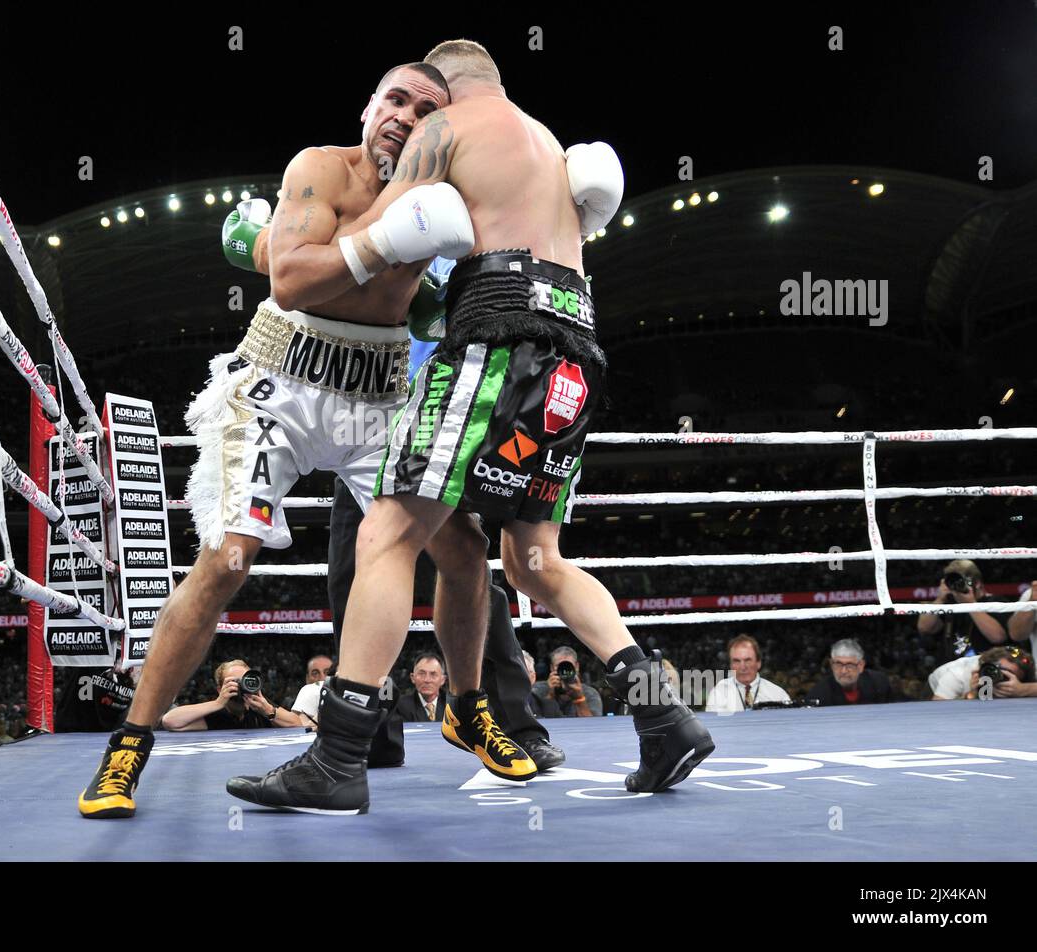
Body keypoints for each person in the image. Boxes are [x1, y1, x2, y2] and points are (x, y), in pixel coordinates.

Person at [229, 39, 713, 815]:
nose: (417, 112)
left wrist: (255, 247)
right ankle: (662, 714)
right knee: (532, 562)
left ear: (445, 91)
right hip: (578, 351)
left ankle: (338, 756)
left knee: (386, 534)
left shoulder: (443, 132)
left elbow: (361, 250)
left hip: (500, 338)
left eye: (427, 98)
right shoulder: (548, 145)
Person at [79, 60, 514, 819]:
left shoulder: (447, 198)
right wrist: (378, 244)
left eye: (425, 110)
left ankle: (468, 706)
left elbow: (435, 302)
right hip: (280, 383)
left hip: (379, 397)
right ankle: (128, 746)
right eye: (395, 100)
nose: (405, 116)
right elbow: (290, 280)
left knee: (465, 547)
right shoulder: (322, 169)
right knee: (224, 564)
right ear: (368, 108)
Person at [161, 660, 306, 731]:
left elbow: (296, 724)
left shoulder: (259, 705)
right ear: (220, 689)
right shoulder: (216, 713)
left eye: (244, 680)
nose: (240, 685)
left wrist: (268, 710)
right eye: (233, 681)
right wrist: (217, 703)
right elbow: (169, 721)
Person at [915, 560, 1013, 663]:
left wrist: (970, 605)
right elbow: (924, 628)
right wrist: (940, 599)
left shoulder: (997, 603)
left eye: (961, 581)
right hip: (951, 669)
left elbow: (998, 637)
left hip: (986, 666)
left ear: (978, 584)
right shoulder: (950, 604)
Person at [704, 635, 791, 713]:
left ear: (758, 663)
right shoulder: (719, 692)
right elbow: (711, 729)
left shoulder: (778, 694)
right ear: (731, 665)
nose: (743, 667)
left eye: (748, 660)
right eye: (736, 661)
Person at [804, 639, 901, 706]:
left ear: (860, 665)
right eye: (838, 664)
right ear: (831, 664)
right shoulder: (818, 694)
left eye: (850, 665)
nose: (843, 671)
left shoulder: (879, 683)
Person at [928, 645, 1037, 700]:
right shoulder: (956, 675)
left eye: (1007, 675)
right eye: (996, 669)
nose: (998, 675)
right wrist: (971, 694)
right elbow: (938, 709)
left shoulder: (1024, 682)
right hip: (934, 688)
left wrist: (1024, 689)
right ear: (983, 667)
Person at [531, 646, 604, 716]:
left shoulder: (590, 693)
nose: (564, 670)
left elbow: (593, 725)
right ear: (551, 668)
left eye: (569, 666)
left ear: (577, 667)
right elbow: (535, 722)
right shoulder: (537, 690)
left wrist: (579, 699)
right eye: (559, 666)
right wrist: (550, 696)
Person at [396, 652, 448, 721]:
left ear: (442, 680)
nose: (427, 680)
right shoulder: (400, 706)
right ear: (413, 678)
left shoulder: (452, 706)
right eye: (422, 674)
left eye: (433, 674)